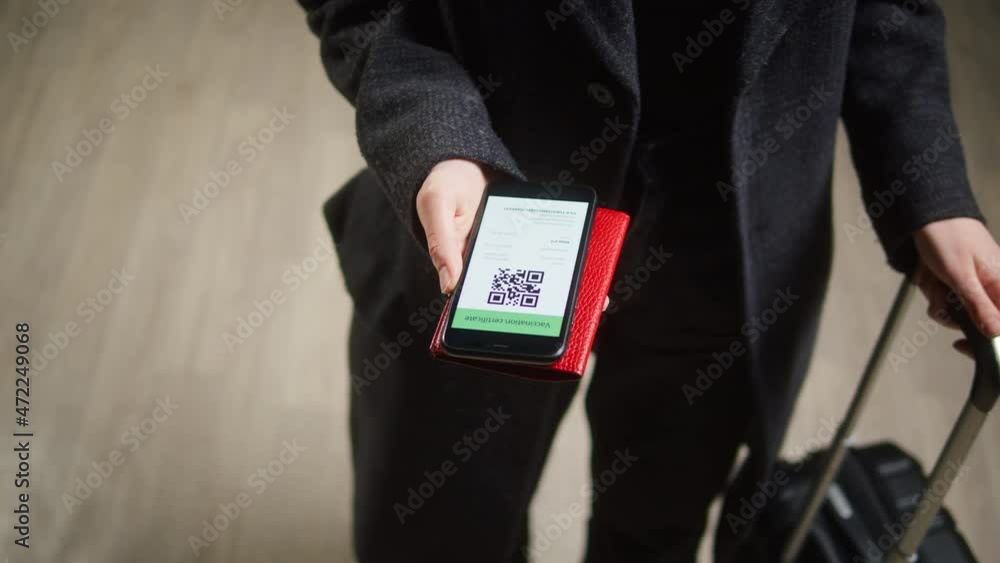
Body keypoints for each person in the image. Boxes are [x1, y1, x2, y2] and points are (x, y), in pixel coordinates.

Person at [298, 1, 1000, 561]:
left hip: (730, 247)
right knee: (440, 527)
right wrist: (435, 140)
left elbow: (889, 11)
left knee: (655, 532)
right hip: (484, 219)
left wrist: (928, 186)